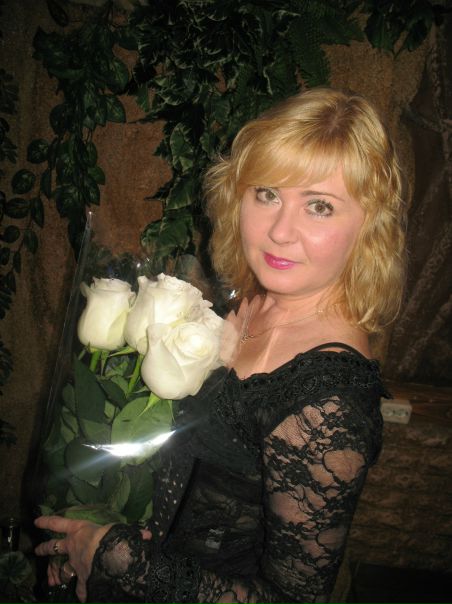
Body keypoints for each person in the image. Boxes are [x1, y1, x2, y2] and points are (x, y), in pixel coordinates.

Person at [34, 87, 406, 604]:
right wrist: (92, 530)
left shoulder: (327, 400)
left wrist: (116, 558)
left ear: (369, 224)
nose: (280, 232)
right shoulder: (256, 306)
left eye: (319, 206)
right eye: (267, 194)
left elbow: (290, 600)